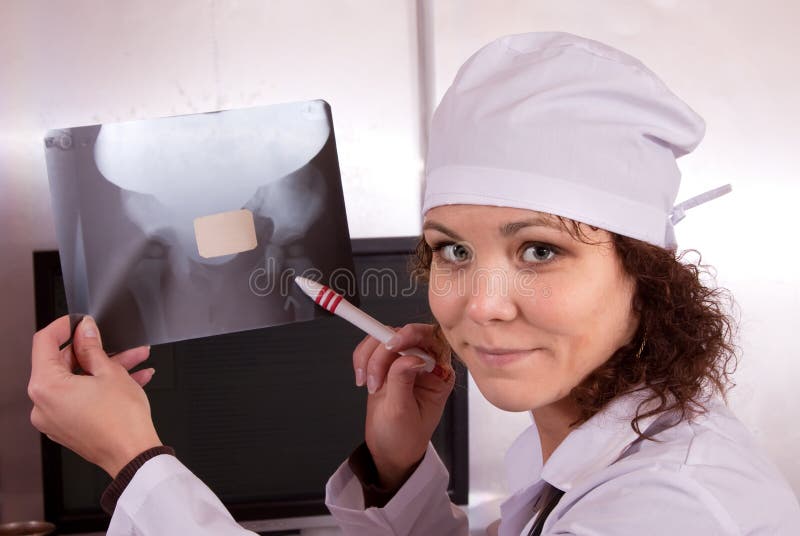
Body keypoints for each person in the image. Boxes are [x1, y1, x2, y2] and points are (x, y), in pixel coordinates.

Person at [28, 32, 800, 535]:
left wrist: (133, 459)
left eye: (539, 252)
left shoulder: (672, 513)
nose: (481, 305)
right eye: (452, 251)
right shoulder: (588, 445)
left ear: (645, 274)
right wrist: (396, 464)